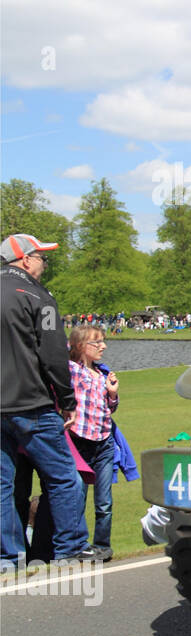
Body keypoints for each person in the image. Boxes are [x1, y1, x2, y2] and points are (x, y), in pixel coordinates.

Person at [0, 234, 94, 570]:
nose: (45, 265)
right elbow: (54, 355)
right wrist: (67, 400)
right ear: (26, 260)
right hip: (32, 404)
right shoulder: (40, 298)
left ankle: (9, 558)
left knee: (4, 484)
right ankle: (69, 549)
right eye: (43, 258)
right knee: (64, 477)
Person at [67, 324, 120, 561]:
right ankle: (80, 545)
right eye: (97, 342)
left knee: (104, 502)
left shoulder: (102, 373)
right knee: (77, 497)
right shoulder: (70, 370)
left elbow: (111, 409)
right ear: (80, 346)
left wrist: (112, 394)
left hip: (104, 444)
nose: (103, 346)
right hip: (79, 443)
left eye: (103, 341)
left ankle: (102, 546)